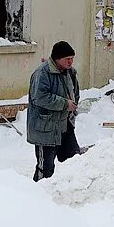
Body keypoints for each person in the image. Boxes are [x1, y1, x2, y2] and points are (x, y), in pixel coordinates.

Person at [26, 40, 81, 181]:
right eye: (67, 59)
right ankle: (37, 195)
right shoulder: (42, 73)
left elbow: (75, 92)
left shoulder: (71, 73)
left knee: (76, 162)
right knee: (45, 169)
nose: (70, 62)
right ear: (57, 59)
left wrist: (73, 107)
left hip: (65, 126)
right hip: (46, 129)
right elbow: (40, 97)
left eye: (72, 59)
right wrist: (64, 104)